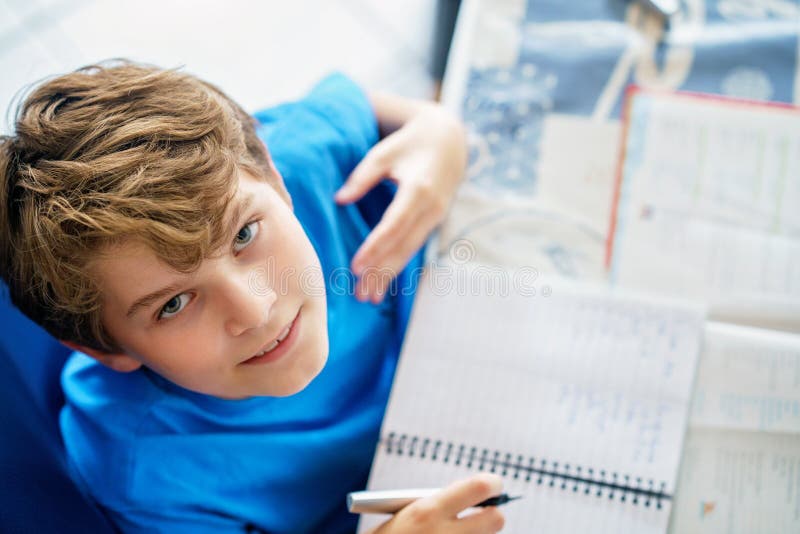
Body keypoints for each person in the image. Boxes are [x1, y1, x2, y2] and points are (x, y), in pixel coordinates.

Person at [0, 61, 506, 533]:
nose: (255, 309)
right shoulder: (140, 476)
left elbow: (376, 112)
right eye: (173, 305)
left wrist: (442, 131)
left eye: (244, 235)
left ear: (273, 177)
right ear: (105, 349)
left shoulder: (301, 158)